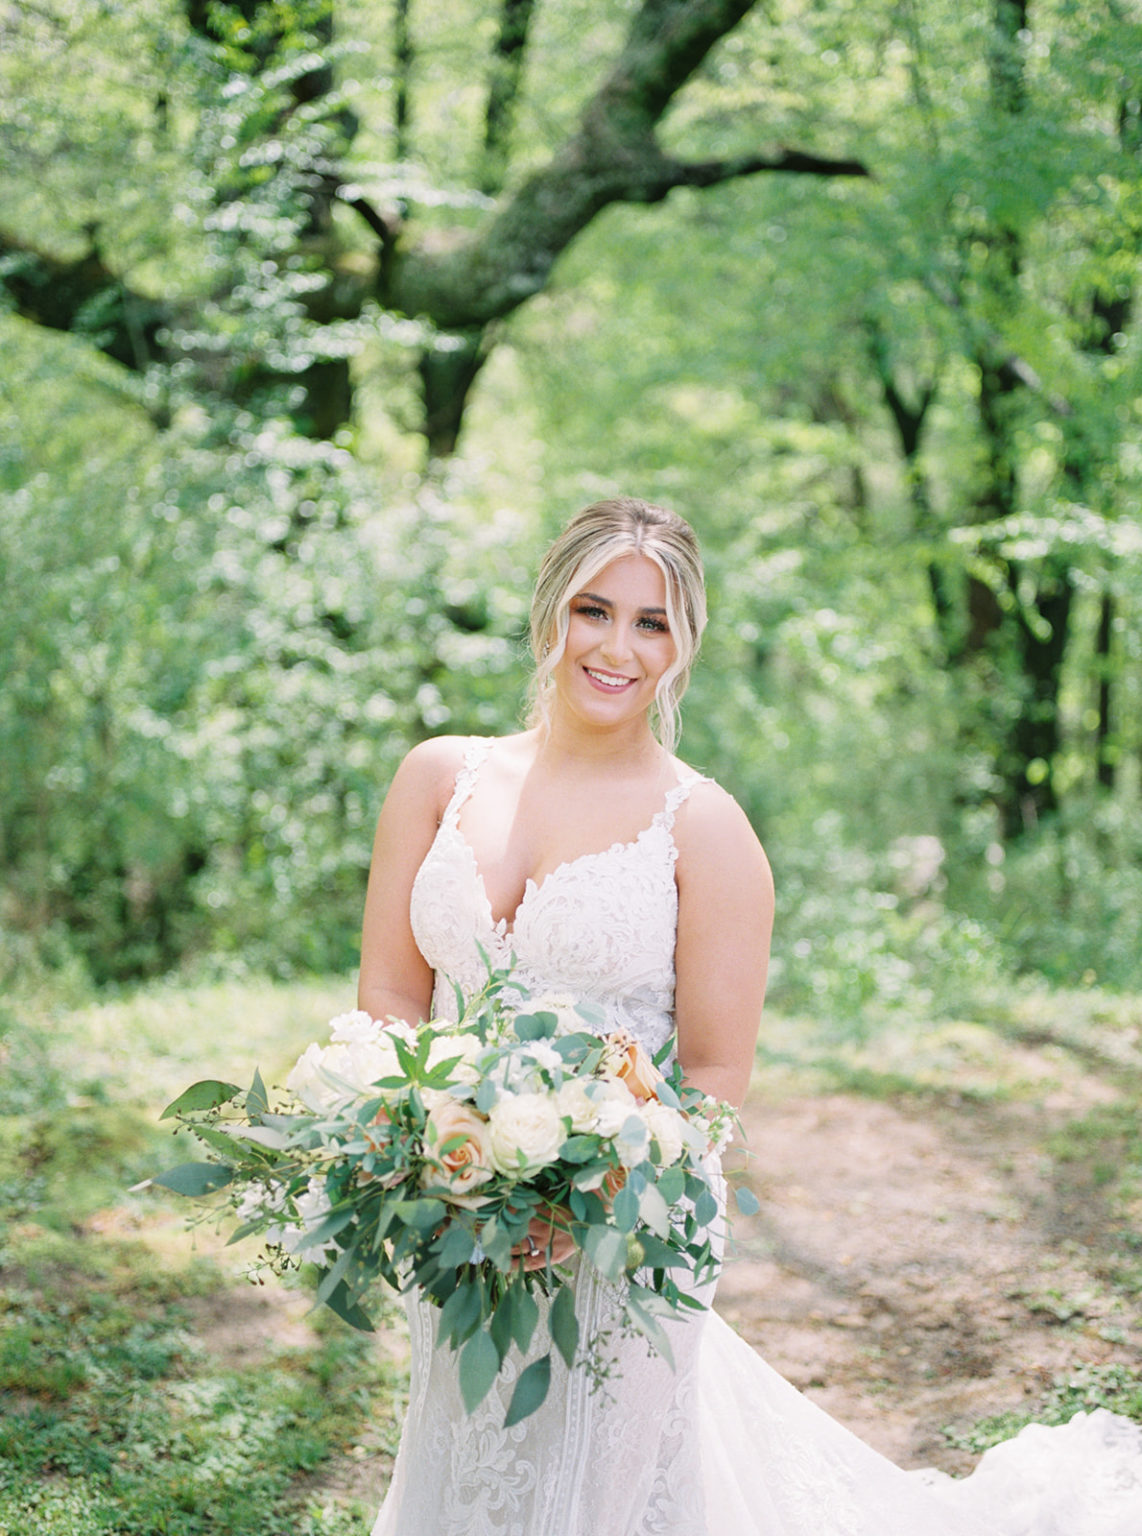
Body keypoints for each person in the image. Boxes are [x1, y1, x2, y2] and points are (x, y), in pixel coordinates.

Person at [357, 498, 1142, 1536]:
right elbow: (388, 1000)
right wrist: (420, 1151)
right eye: (595, 609)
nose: (618, 647)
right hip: (449, 1206)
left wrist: (579, 1199)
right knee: (468, 1455)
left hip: (620, 1222)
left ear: (683, 646)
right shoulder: (435, 778)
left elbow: (717, 1080)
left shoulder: (703, 827)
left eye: (653, 622)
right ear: (548, 609)